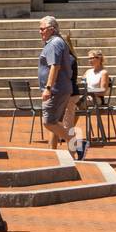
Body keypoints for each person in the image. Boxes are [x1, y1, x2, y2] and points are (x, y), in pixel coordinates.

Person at [37, 15, 74, 151]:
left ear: (51, 29)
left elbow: (55, 66)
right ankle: (69, 150)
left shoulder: (54, 43)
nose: (40, 32)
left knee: (49, 122)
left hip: (56, 90)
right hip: (60, 89)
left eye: (42, 29)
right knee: (55, 122)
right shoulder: (54, 43)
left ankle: (75, 143)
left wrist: (48, 88)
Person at [61, 32, 87, 161]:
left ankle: (77, 147)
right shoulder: (68, 57)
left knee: (67, 125)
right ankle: (75, 148)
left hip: (69, 94)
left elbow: (67, 77)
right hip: (68, 93)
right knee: (64, 124)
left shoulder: (69, 59)